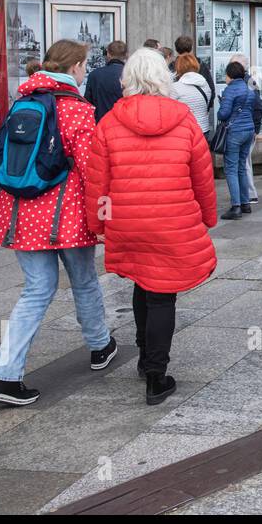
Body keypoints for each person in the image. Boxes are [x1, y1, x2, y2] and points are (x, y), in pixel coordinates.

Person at [0, 40, 114, 406]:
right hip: (66, 216)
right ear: (74, 68)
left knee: (36, 290)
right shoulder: (75, 110)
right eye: (85, 65)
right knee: (84, 281)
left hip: (20, 211)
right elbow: (90, 168)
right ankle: (100, 346)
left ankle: (4, 374)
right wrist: (104, 212)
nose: (86, 71)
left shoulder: (22, 101)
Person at [84, 48, 217, 406]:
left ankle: (145, 356)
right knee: (162, 293)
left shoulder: (110, 122)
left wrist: (97, 222)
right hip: (171, 222)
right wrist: (207, 216)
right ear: (164, 76)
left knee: (143, 283)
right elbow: (202, 176)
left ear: (127, 78)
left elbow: (97, 180)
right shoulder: (185, 119)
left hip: (127, 221)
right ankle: (156, 374)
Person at [217, 59, 262, 219]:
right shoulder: (249, 88)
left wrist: (221, 105)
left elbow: (223, 114)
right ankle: (245, 203)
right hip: (248, 130)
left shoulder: (230, 90)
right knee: (242, 167)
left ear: (230, 75)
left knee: (230, 168)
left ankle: (235, 207)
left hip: (235, 132)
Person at [228, 53, 262, 204]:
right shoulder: (245, 82)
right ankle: (246, 196)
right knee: (243, 164)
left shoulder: (247, 82)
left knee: (243, 164)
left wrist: (256, 128)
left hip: (244, 129)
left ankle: (249, 194)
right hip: (247, 128)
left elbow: (258, 107)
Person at [172, 52, 214, 136]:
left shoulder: (174, 88)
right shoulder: (205, 85)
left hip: (185, 131)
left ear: (178, 67)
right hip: (204, 129)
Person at [84, 39, 127, 121]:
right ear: (126, 55)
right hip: (125, 124)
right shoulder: (131, 75)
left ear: (108, 54)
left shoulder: (95, 75)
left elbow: (88, 103)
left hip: (101, 124)